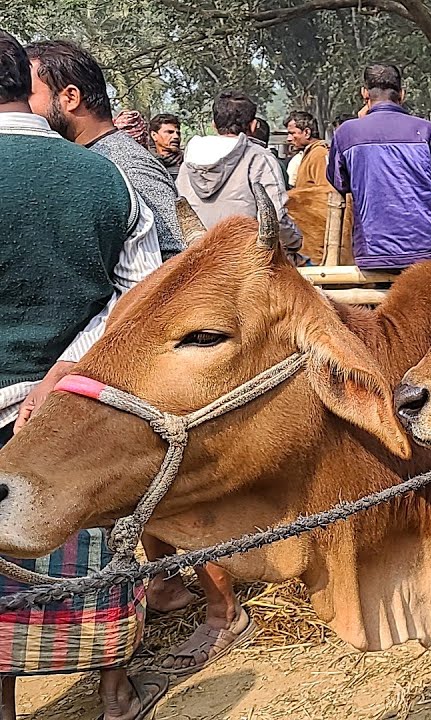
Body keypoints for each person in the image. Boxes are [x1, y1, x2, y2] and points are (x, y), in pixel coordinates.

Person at [0, 31, 165, 720]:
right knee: (100, 548)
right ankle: (116, 694)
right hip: (79, 405)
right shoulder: (108, 178)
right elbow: (144, 297)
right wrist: (67, 365)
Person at [26, 40, 183, 260]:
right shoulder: (87, 157)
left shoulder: (127, 163)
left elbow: (176, 255)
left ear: (71, 97)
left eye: (28, 95)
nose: (22, 107)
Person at [329, 63, 431, 269]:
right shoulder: (428, 131)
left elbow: (340, 183)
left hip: (375, 256)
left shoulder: (347, 133)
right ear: (402, 94)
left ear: (365, 94)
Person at [178, 92, 305, 264]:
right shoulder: (259, 158)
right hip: (246, 264)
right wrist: (295, 241)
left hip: (195, 262)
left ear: (214, 125)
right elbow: (276, 219)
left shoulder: (187, 163)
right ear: (253, 126)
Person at [285, 110, 330, 188]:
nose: (289, 139)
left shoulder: (319, 154)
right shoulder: (310, 153)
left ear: (307, 133)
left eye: (292, 133)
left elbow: (324, 191)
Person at [149, 112, 183, 181]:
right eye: (170, 132)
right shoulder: (148, 163)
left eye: (178, 133)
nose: (176, 137)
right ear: (154, 135)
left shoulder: (187, 162)